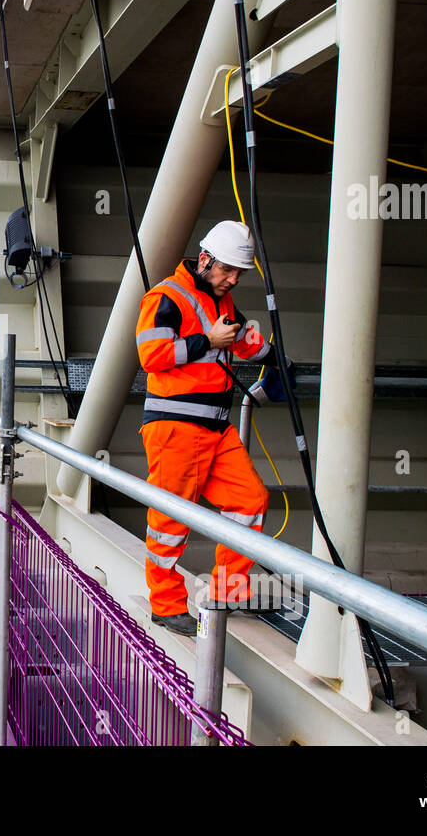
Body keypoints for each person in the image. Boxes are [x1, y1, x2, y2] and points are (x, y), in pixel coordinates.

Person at [135, 220, 285, 635]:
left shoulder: (222, 299)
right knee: (170, 521)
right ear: (205, 259)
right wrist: (207, 341)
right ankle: (165, 606)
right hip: (175, 429)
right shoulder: (164, 296)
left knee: (250, 501)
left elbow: (238, 339)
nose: (233, 279)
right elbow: (152, 354)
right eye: (228, 271)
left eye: (239, 273)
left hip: (217, 431)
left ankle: (226, 594)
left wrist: (274, 358)